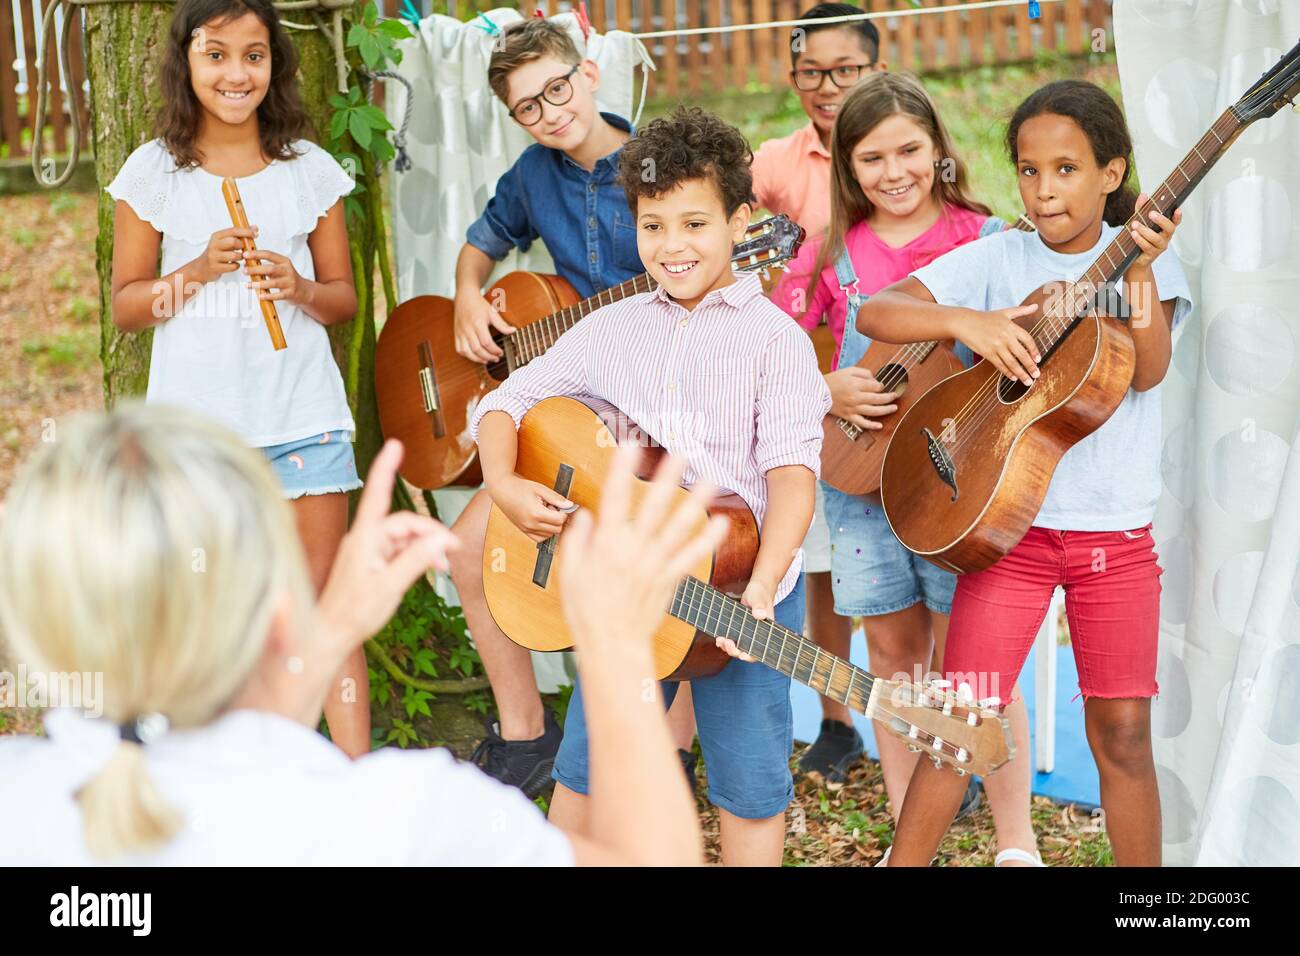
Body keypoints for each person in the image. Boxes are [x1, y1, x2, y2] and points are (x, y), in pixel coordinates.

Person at [0, 404, 711, 866]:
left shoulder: (19, 801)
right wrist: (618, 650)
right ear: (280, 607)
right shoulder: (403, 821)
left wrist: (326, 626)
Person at [470, 107, 831, 866]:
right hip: (628, 595)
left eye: (695, 224)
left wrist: (763, 587)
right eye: (653, 225)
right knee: (586, 774)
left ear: (740, 220)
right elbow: (508, 399)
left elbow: (794, 478)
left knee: (750, 788)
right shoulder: (614, 328)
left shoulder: (777, 343)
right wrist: (502, 482)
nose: (672, 247)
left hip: (740, 590)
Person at [859, 80, 1191, 867]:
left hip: (1114, 537)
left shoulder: (1146, 272)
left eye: (1067, 170)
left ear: (1111, 173)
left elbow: (1146, 371)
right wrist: (964, 320)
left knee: (1123, 732)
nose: (1044, 191)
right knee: (957, 726)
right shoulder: (1002, 257)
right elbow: (878, 309)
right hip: (1009, 534)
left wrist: (1140, 267)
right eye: (1030, 170)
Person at [767, 72, 1040, 863]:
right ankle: (905, 828)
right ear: (847, 168)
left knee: (977, 665)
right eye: (872, 157)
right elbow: (774, 351)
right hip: (858, 490)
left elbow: (1021, 357)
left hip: (958, 486)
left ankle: (1015, 838)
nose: (894, 172)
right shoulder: (833, 256)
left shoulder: (984, 240)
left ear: (938, 149)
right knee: (891, 657)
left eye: (909, 150)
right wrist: (821, 385)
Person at [107, 0, 368, 756]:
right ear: (186, 62)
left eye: (253, 55)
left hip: (301, 418)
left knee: (319, 608)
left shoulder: (308, 170)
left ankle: (357, 787)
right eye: (216, 54)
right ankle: (211, 785)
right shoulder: (153, 172)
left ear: (273, 65)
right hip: (197, 434)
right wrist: (193, 271)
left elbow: (343, 300)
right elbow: (128, 307)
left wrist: (298, 286)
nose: (235, 73)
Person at [445, 18, 700, 793]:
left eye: (557, 89)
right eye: (528, 106)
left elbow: (712, 271)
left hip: (663, 409)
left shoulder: (662, 164)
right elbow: (481, 243)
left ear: (589, 75)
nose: (550, 112)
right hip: (561, 406)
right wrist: (464, 294)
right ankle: (527, 736)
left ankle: (673, 747)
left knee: (677, 573)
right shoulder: (531, 177)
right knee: (464, 549)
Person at [746, 2, 887, 784]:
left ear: (875, 67)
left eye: (845, 71)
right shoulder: (777, 161)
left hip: (885, 392)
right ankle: (838, 723)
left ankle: (927, 717)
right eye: (810, 72)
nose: (826, 87)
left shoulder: (900, 149)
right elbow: (728, 221)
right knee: (824, 565)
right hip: (803, 403)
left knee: (904, 572)